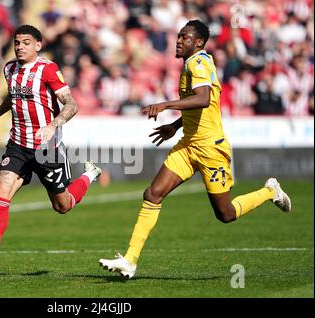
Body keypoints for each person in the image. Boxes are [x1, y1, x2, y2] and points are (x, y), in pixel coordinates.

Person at [99, 20, 291, 279]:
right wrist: (176, 126)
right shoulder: (192, 64)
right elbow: (202, 107)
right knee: (153, 194)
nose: (179, 41)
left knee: (225, 213)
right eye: (178, 36)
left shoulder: (199, 63)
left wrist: (165, 105)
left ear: (199, 42)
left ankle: (269, 192)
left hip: (211, 149)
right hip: (189, 145)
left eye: (185, 37)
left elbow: (202, 99)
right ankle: (130, 260)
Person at [0, 25, 101, 273]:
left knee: (62, 206)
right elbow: (12, 97)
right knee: (1, 189)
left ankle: (89, 174)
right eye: (17, 42)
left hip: (47, 148)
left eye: (26, 42)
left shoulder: (48, 69)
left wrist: (53, 125)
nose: (20, 47)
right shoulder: (9, 68)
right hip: (18, 144)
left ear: (38, 45)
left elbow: (71, 104)